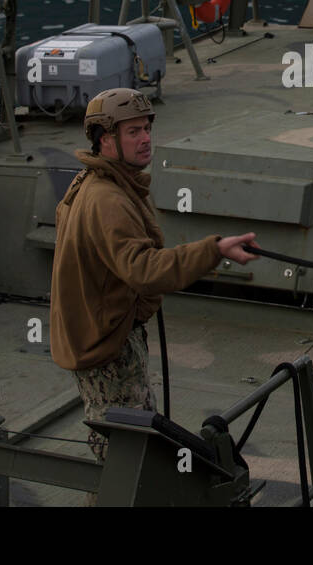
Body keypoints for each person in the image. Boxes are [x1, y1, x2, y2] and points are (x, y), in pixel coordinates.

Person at [49, 87, 258, 478]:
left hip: (107, 333)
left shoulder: (93, 182)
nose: (145, 139)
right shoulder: (106, 198)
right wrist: (215, 250)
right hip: (108, 350)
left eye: (146, 129)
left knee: (130, 456)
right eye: (133, 132)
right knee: (127, 465)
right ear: (105, 139)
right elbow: (143, 269)